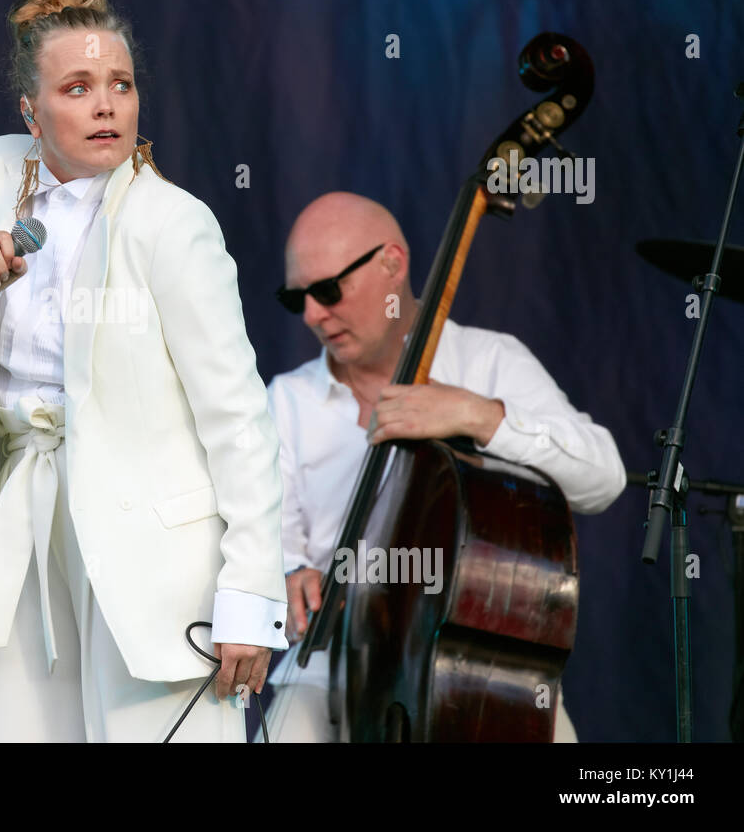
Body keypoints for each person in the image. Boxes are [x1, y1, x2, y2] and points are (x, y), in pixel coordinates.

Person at [0, 0, 287, 741]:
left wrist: (249, 595)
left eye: (121, 85)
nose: (106, 105)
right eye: (77, 88)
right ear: (30, 112)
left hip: (151, 554)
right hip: (22, 527)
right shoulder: (2, 173)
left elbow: (240, 420)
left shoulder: (172, 223)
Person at [262, 191, 626, 742]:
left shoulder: (490, 362)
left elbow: (603, 477)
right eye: (297, 300)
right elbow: (271, 539)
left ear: (392, 262)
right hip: (328, 669)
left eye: (328, 291)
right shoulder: (285, 401)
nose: (314, 314)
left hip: (479, 671)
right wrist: (288, 576)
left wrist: (480, 415)